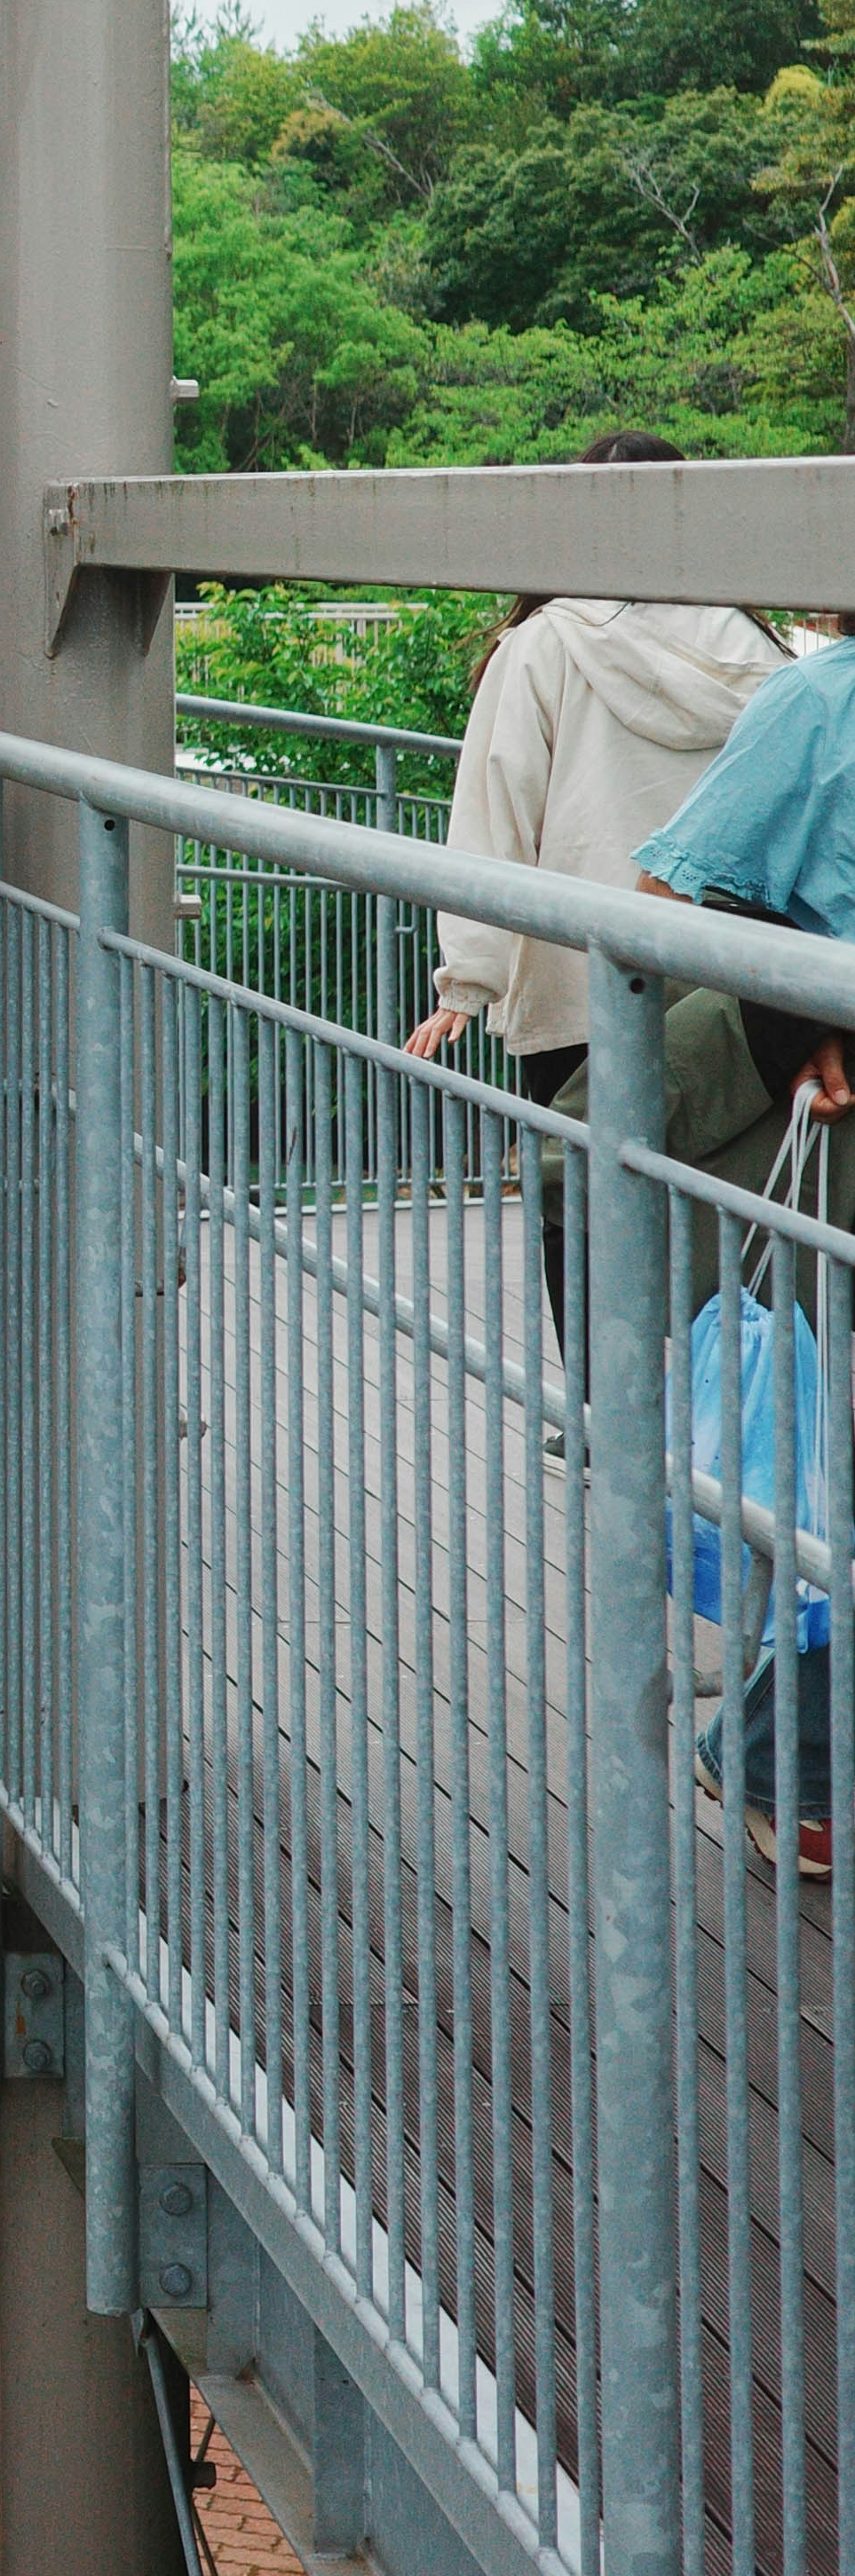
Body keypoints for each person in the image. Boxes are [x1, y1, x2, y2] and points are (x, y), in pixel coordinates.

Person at [629, 628, 855, 1877]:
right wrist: (794, 1021)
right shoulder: (818, 701)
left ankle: (778, 1746)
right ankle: (785, 1751)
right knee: (829, 1469)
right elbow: (676, 905)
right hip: (838, 1126)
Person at [404, 446, 786, 1098]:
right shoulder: (760, 649)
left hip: (578, 980)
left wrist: (467, 979)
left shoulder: (540, 645)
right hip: (730, 989)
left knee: (580, 1183)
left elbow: (495, 816)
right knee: (709, 1188)